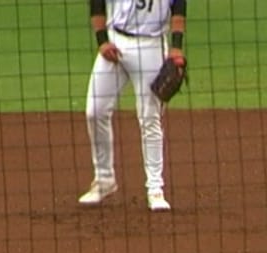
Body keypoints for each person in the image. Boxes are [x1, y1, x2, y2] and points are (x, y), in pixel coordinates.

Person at [78, 0, 186, 212]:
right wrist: (102, 41)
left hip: (151, 46)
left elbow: (179, 9)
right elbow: (97, 3)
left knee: (149, 118)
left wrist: (176, 47)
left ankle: (155, 189)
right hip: (116, 41)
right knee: (95, 111)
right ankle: (104, 180)